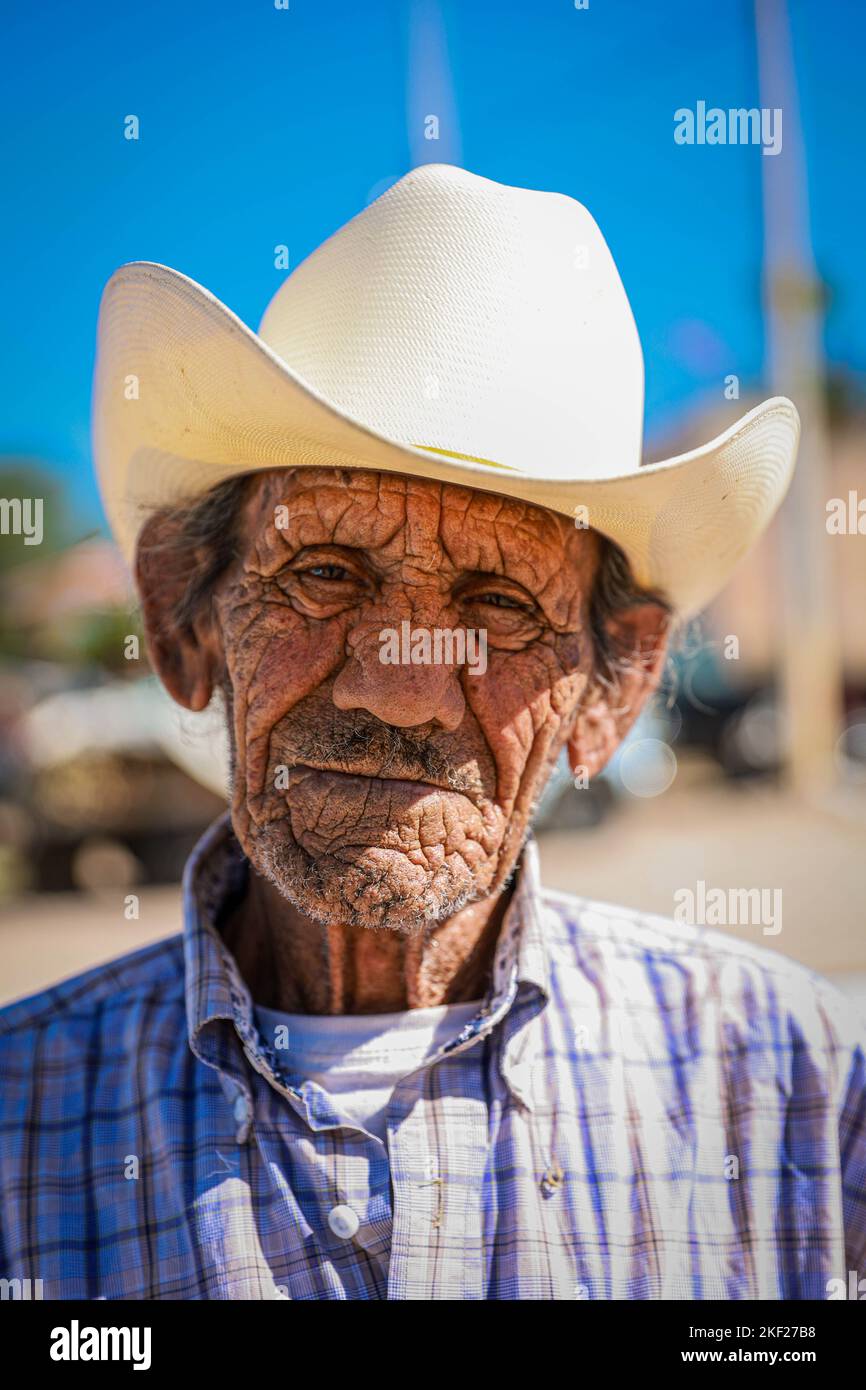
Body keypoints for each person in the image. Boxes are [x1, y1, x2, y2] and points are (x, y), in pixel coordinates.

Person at [1, 165, 862, 1300]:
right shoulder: (20, 1116)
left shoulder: (800, 1086)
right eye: (323, 574)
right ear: (182, 622)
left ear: (611, 685)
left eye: (499, 606)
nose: (398, 687)